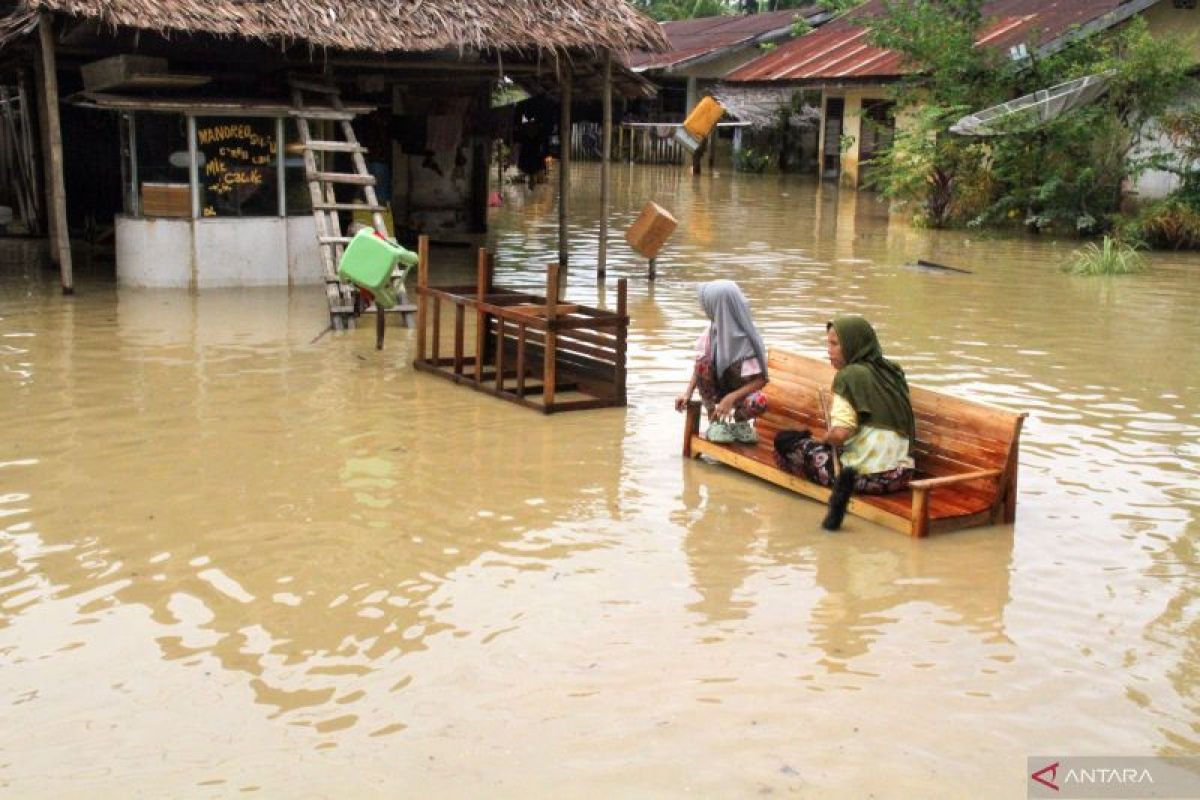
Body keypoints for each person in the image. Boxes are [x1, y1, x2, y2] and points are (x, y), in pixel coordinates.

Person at [775, 316, 916, 530]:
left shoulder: (848, 376)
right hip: (901, 475)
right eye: (828, 343)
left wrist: (825, 438)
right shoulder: (891, 372)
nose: (828, 350)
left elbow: (841, 434)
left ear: (852, 345)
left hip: (867, 478)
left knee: (786, 446)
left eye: (834, 344)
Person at [674, 280, 768, 444]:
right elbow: (699, 367)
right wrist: (687, 393)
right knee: (703, 364)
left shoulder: (749, 339)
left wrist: (731, 398)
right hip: (717, 389)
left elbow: (761, 380)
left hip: (740, 394)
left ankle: (740, 423)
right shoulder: (711, 332)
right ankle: (715, 421)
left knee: (760, 400)